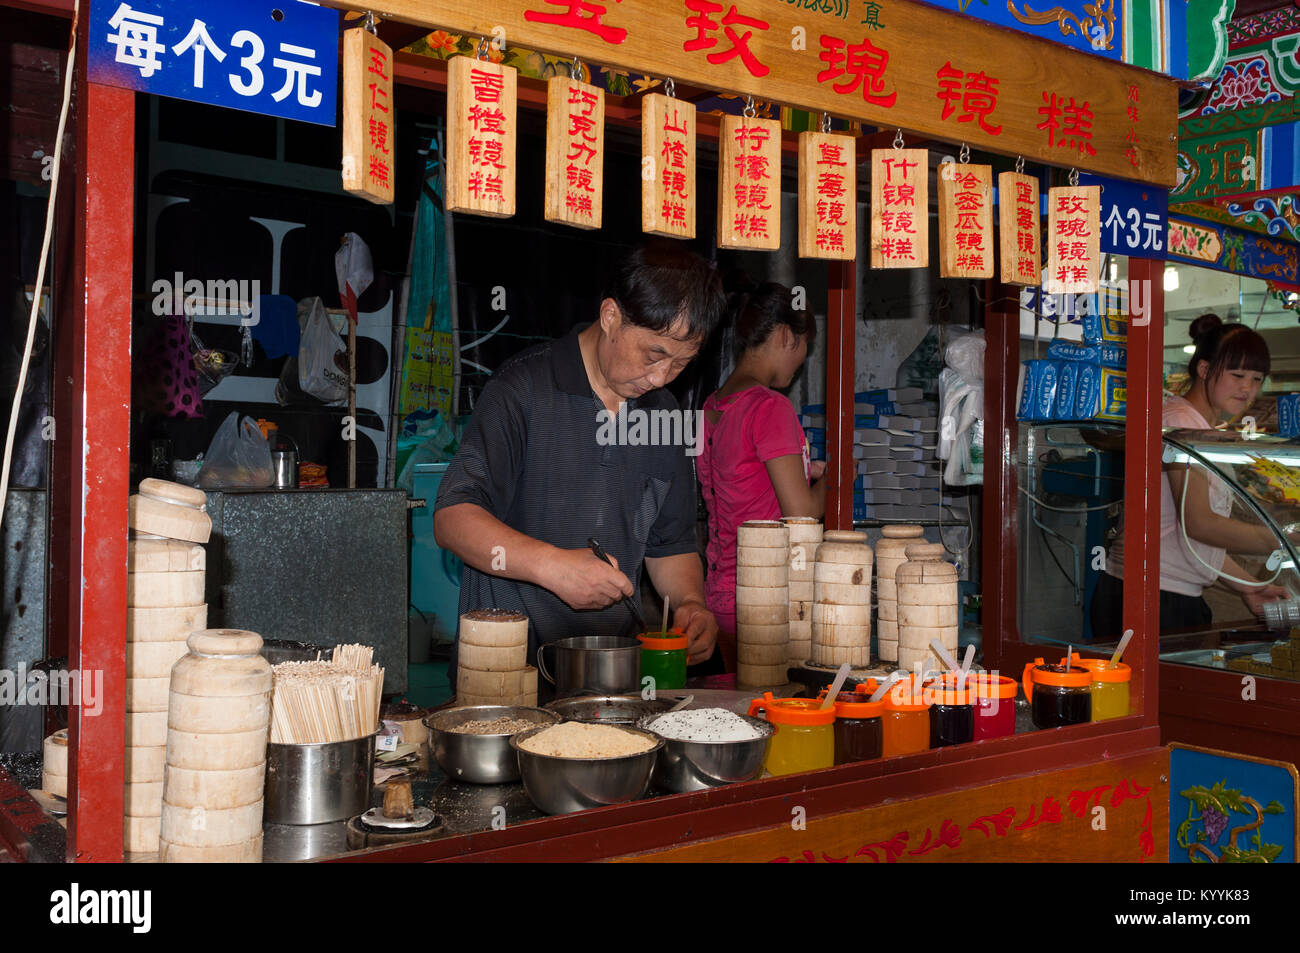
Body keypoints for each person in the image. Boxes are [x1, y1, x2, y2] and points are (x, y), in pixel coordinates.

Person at [433, 243, 727, 685]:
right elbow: (452, 520)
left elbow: (671, 543)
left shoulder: (663, 412)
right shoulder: (523, 389)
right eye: (653, 355)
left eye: (681, 363)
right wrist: (553, 567)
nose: (661, 377)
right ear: (610, 316)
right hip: (508, 673)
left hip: (612, 676)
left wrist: (689, 603)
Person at [1092, 314, 1289, 637]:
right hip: (1147, 598)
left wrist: (1249, 587)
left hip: (1169, 594)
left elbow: (1190, 542)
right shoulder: (1180, 424)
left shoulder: (1199, 427)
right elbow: (1200, 524)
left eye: (1257, 378)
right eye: (1237, 374)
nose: (1247, 389)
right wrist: (1281, 537)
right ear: (1204, 370)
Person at [696, 281, 827, 662]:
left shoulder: (711, 406)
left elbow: (741, 478)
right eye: (805, 346)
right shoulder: (770, 407)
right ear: (788, 336)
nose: (803, 358)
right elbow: (801, 513)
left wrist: (807, 470)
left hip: (721, 593)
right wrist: (837, 477)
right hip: (765, 594)